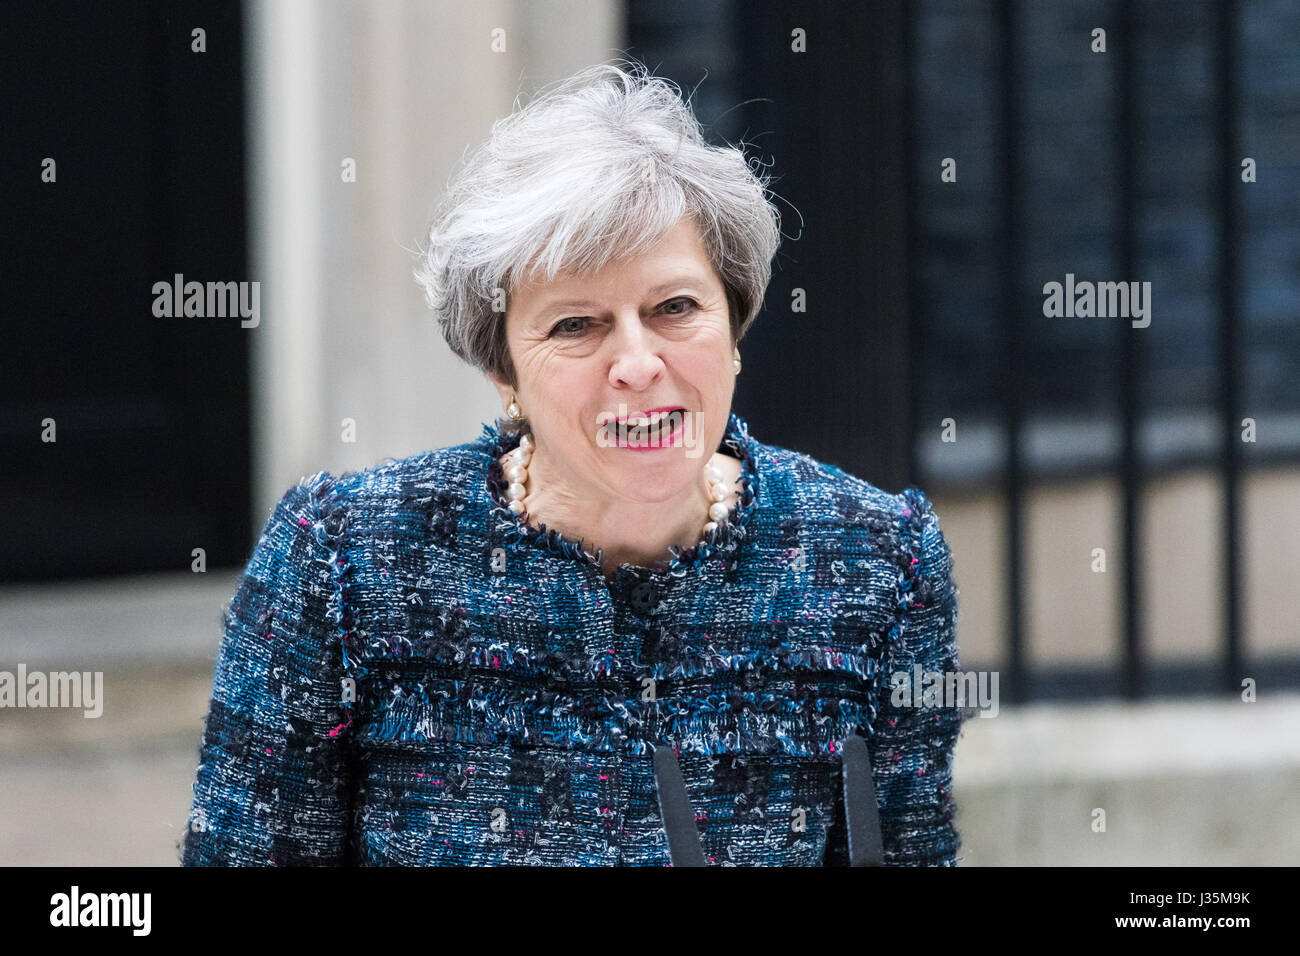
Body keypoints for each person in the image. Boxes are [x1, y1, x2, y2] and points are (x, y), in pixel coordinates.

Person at [181, 59, 966, 866]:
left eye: (674, 308)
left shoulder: (876, 563)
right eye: (573, 326)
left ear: (734, 328)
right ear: (502, 372)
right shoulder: (344, 561)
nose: (635, 362)